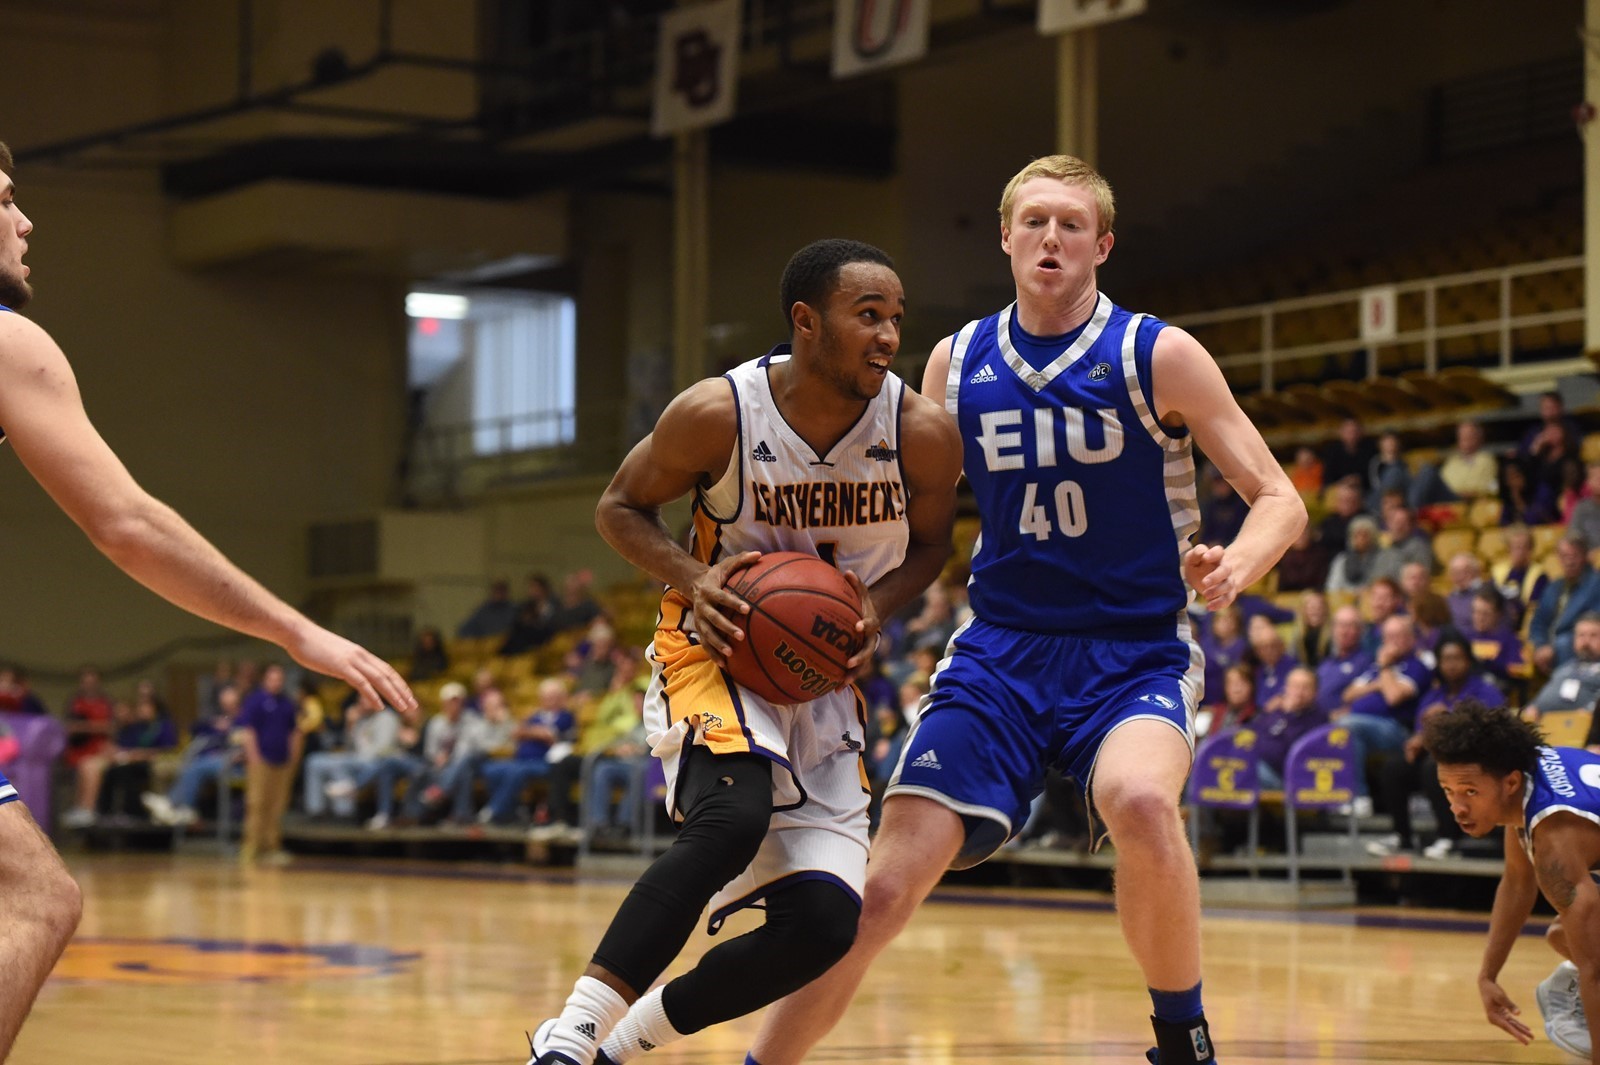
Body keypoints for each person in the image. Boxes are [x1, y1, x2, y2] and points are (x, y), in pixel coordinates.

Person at [744, 157, 1304, 1065]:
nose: (1052, 238)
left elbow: (1281, 497)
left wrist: (1234, 564)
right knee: (881, 891)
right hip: (1000, 651)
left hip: (1134, 650)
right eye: (1034, 221)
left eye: (1072, 225)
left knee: (1139, 800)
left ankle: (1182, 1039)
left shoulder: (1156, 353)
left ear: (1103, 245)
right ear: (1005, 236)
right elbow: (900, 512)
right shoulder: (956, 360)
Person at [0, 137, 413, 1059]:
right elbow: (129, 526)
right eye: (2, 200)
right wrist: (297, 629)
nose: (25, 221)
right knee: (36, 896)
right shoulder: (5, 339)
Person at [527, 238, 962, 1065]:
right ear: (806, 322)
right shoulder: (718, 413)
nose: (887, 335)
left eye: (896, 318)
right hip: (715, 649)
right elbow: (619, 506)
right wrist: (697, 577)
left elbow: (933, 548)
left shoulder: (922, 433)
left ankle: (620, 1045)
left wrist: (873, 604)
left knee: (829, 923)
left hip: (820, 677)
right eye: (867, 314)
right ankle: (571, 1041)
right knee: (732, 815)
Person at [1425, 702, 1600, 1061]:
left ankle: (1573, 990)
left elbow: (1595, 969)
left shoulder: (1554, 841)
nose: (1457, 807)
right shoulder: (1525, 780)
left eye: (1470, 792)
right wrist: (1488, 975)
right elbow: (1518, 882)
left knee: (1586, 948)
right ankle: (1572, 985)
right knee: (1567, 935)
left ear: (1510, 784)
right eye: (1448, 790)